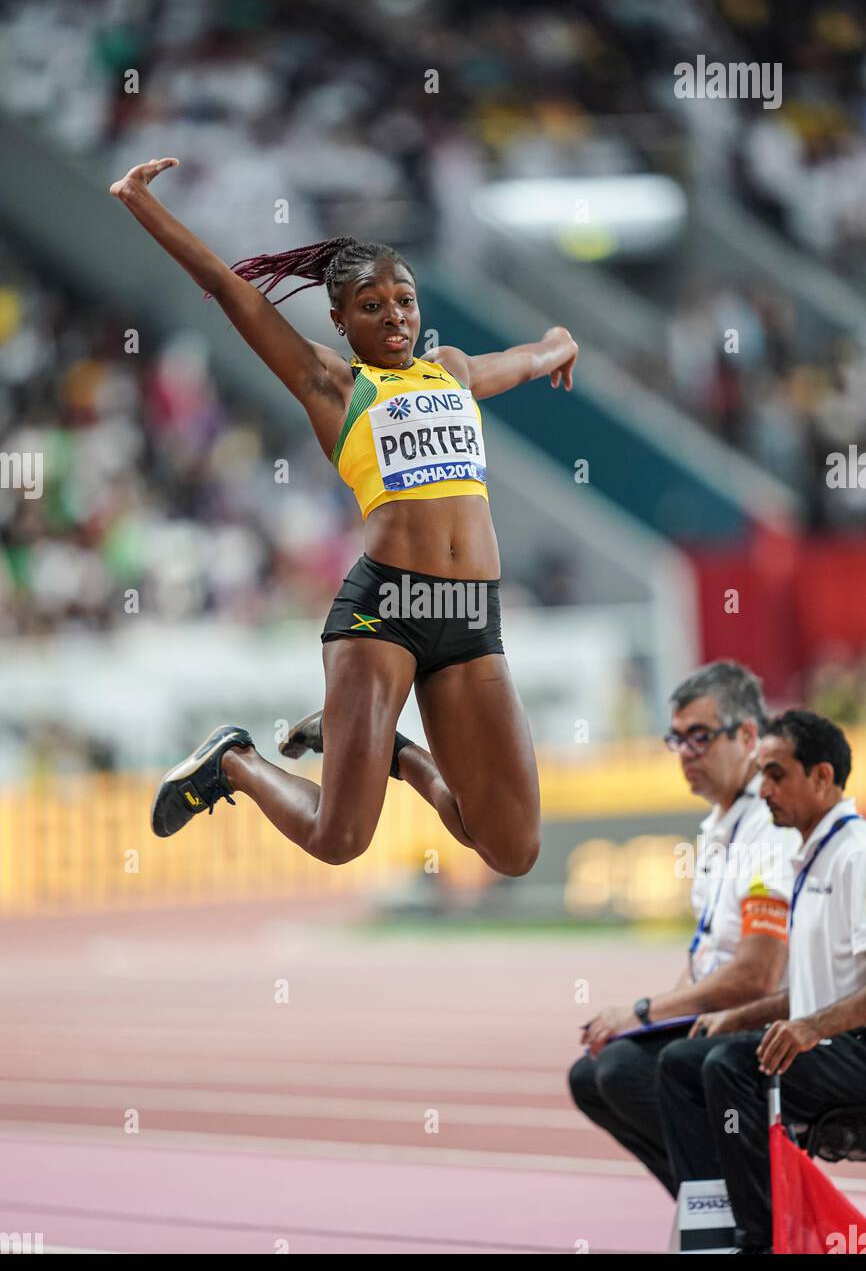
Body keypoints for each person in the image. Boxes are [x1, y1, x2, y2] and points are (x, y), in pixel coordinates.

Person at [109, 157, 579, 874]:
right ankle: (232, 761)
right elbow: (228, 289)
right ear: (339, 318)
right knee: (341, 838)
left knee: (510, 847)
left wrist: (559, 346)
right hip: (381, 614)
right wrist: (140, 203)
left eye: (404, 301)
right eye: (371, 304)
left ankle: (397, 754)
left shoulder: (449, 370)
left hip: (471, 616)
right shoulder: (332, 383)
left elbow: (522, 359)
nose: (393, 315)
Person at [568, 661, 798, 1195]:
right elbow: (707, 960)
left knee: (626, 1070)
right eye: (677, 739)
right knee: (592, 1075)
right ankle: (712, 1202)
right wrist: (646, 1018)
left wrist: (647, 1011)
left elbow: (759, 974)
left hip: (771, 1021)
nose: (687, 754)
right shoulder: (718, 826)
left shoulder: (772, 824)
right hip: (722, 1017)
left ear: (747, 735)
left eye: (700, 737)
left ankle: (738, 1206)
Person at [656, 709, 866, 1253]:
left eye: (776, 774)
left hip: (856, 1048)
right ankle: (715, 1229)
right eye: (760, 775)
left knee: (733, 1067)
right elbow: (823, 985)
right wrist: (741, 1017)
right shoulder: (808, 857)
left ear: (822, 776)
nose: (763, 788)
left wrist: (805, 1029)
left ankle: (764, 1245)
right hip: (831, 1038)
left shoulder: (856, 856)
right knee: (682, 1061)